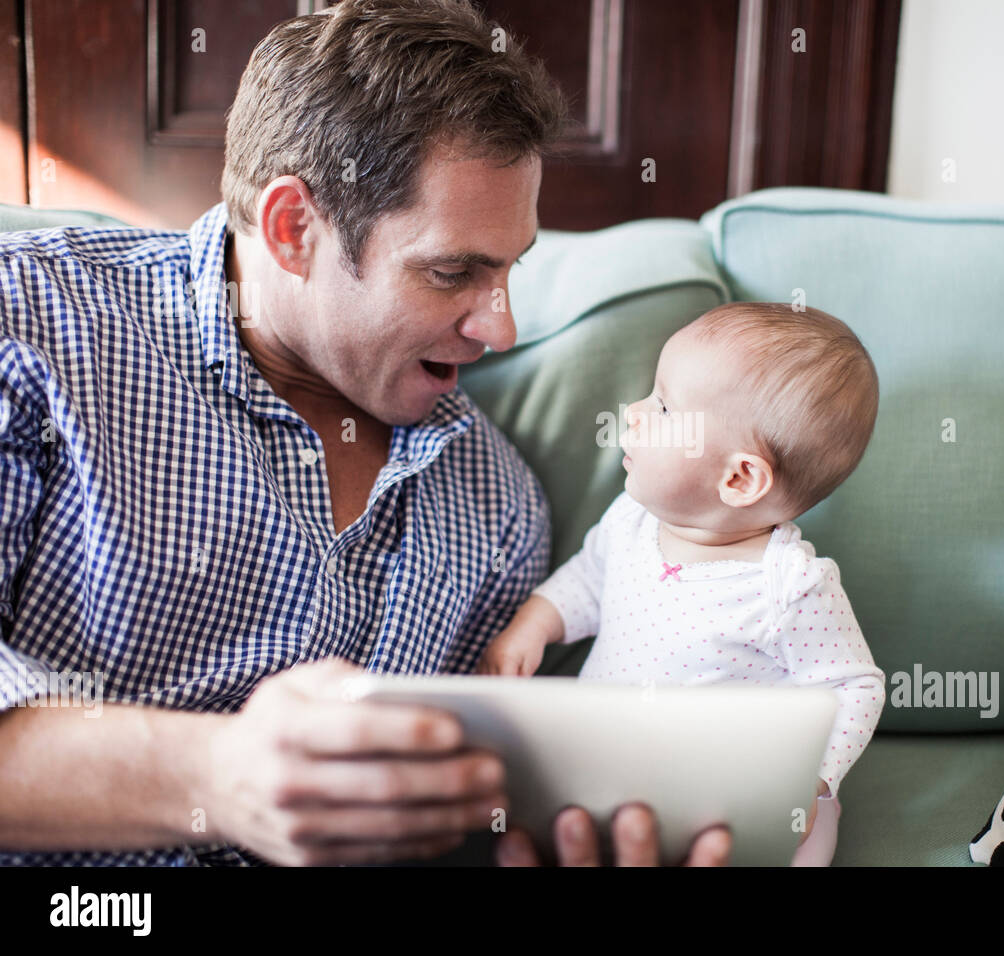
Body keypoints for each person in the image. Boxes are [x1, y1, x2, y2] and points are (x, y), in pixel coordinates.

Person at [0, 0, 729, 867]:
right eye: (454, 272)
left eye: (509, 270)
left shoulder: (497, 505)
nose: (500, 330)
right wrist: (219, 776)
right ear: (291, 229)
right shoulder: (31, 331)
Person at [478, 302, 886, 866]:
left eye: (664, 406)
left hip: (725, 797)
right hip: (603, 768)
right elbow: (589, 580)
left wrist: (812, 781)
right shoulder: (631, 519)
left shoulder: (790, 584)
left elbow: (854, 688)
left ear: (739, 477)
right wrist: (533, 625)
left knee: (799, 843)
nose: (634, 412)